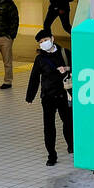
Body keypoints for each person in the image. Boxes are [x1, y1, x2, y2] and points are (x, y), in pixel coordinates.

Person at [24, 29, 73, 166]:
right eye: (41, 42)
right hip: (48, 97)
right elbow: (34, 77)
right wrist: (30, 96)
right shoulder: (40, 59)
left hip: (65, 94)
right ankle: (52, 155)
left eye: (45, 40)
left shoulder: (65, 52)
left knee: (68, 122)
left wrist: (67, 68)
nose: (43, 43)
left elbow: (79, 67)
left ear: (52, 38)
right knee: (49, 127)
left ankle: (71, 144)